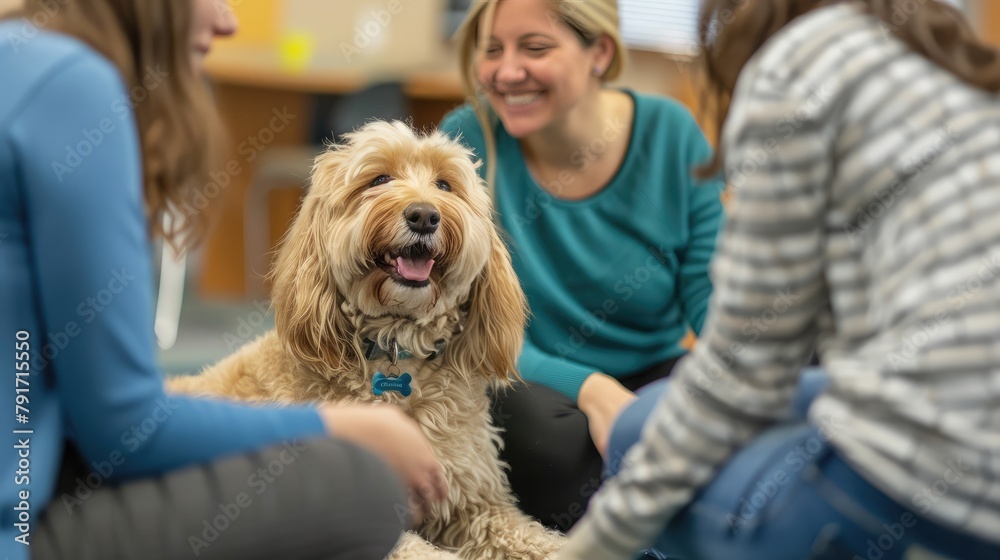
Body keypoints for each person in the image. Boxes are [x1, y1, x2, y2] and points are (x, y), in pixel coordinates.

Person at [0, 1, 448, 559]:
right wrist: (340, 427)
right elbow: (123, 425)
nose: (228, 21)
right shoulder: (75, 85)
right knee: (362, 486)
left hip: (32, 472)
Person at [555, 0, 1000, 558]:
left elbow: (746, 367)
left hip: (926, 483)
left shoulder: (793, 67)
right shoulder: (953, 58)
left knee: (637, 435)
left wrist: (594, 544)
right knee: (647, 415)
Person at [439, 0, 725, 531]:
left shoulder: (670, 133)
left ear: (600, 51)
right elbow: (466, 325)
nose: (506, 72)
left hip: (656, 374)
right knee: (529, 431)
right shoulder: (467, 142)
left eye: (536, 48)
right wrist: (589, 387)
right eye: (492, 50)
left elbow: (714, 300)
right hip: (533, 379)